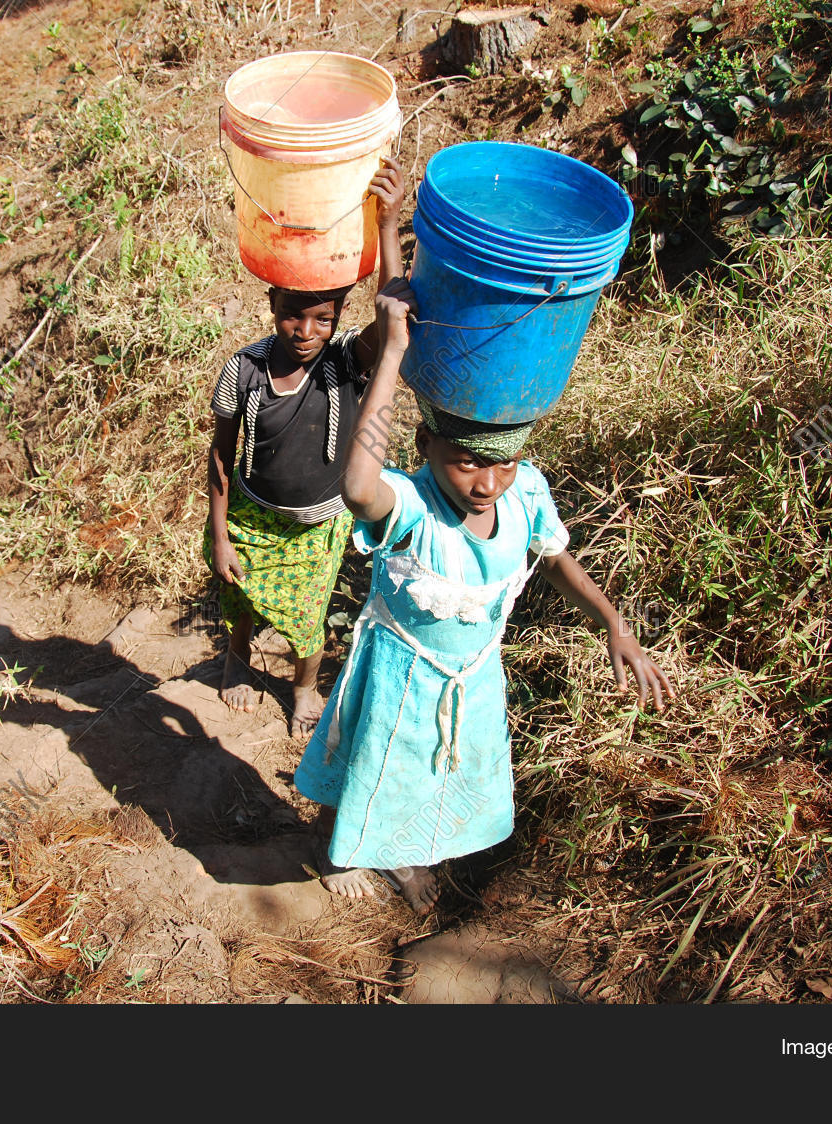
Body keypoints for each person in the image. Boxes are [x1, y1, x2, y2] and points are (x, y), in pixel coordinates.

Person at [294, 277, 675, 913]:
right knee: (388, 760)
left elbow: (555, 561)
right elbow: (359, 487)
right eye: (467, 462)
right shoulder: (412, 505)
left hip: (473, 673)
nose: (486, 483)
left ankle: (412, 850)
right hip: (406, 669)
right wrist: (391, 352)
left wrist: (614, 623)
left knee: (443, 769)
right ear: (426, 447)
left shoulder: (525, 493)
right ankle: (353, 853)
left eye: (504, 462)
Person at [204, 158, 405, 736]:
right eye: (293, 315)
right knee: (240, 595)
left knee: (308, 620)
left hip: (318, 525)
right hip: (250, 513)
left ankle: (304, 686)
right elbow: (220, 457)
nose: (306, 331)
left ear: (339, 315)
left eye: (323, 318)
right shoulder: (243, 370)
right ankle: (238, 660)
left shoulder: (344, 362)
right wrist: (220, 534)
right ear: (271, 303)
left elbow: (397, 320)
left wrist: (389, 225)